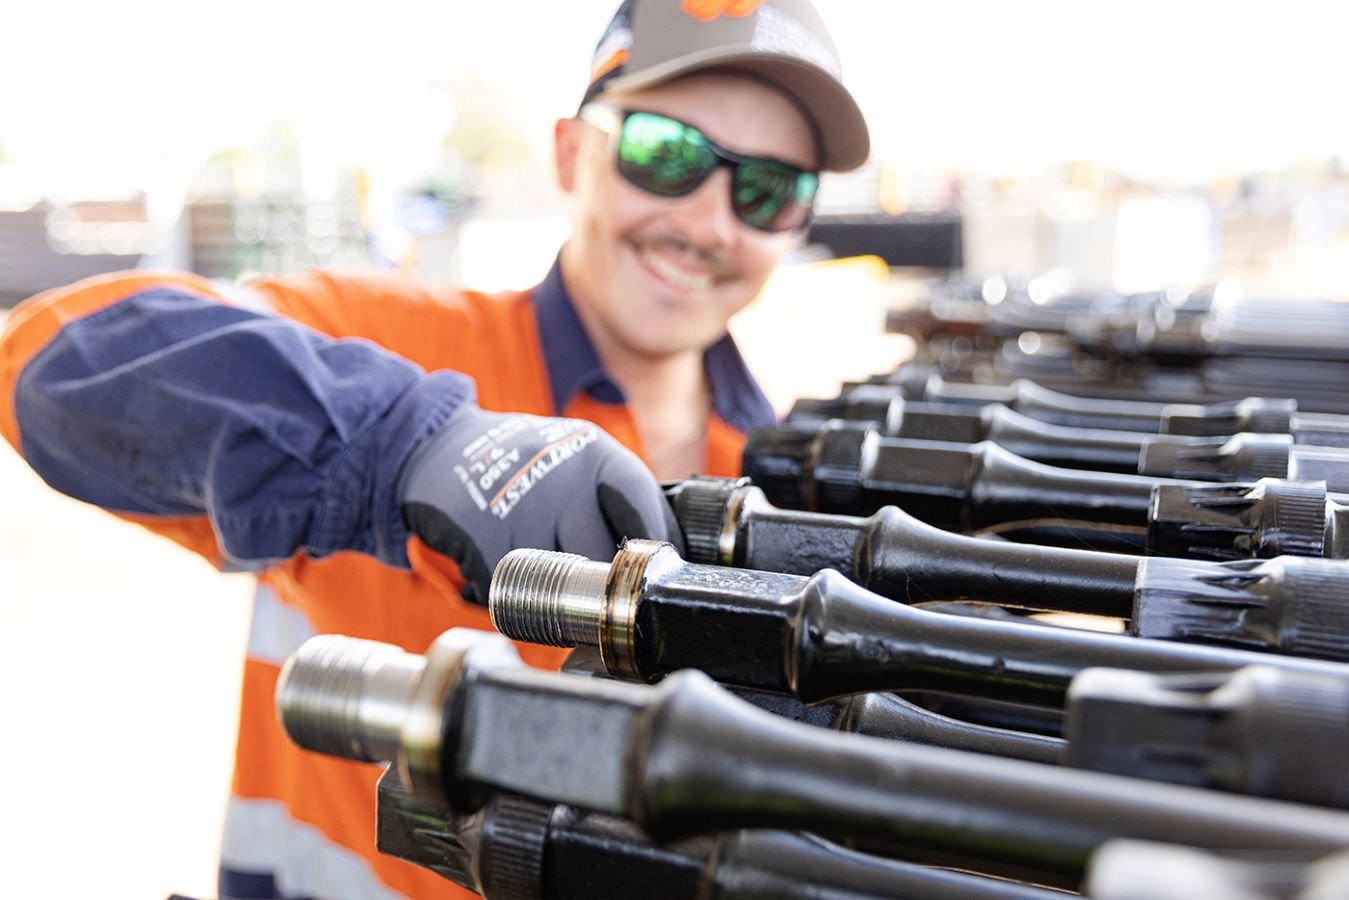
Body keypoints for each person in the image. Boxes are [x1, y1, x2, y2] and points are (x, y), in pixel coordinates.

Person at [0, 0, 869, 896]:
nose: (711, 223)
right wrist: (404, 449)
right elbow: (52, 363)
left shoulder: (797, 502)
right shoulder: (390, 352)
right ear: (572, 152)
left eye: (768, 189)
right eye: (668, 154)